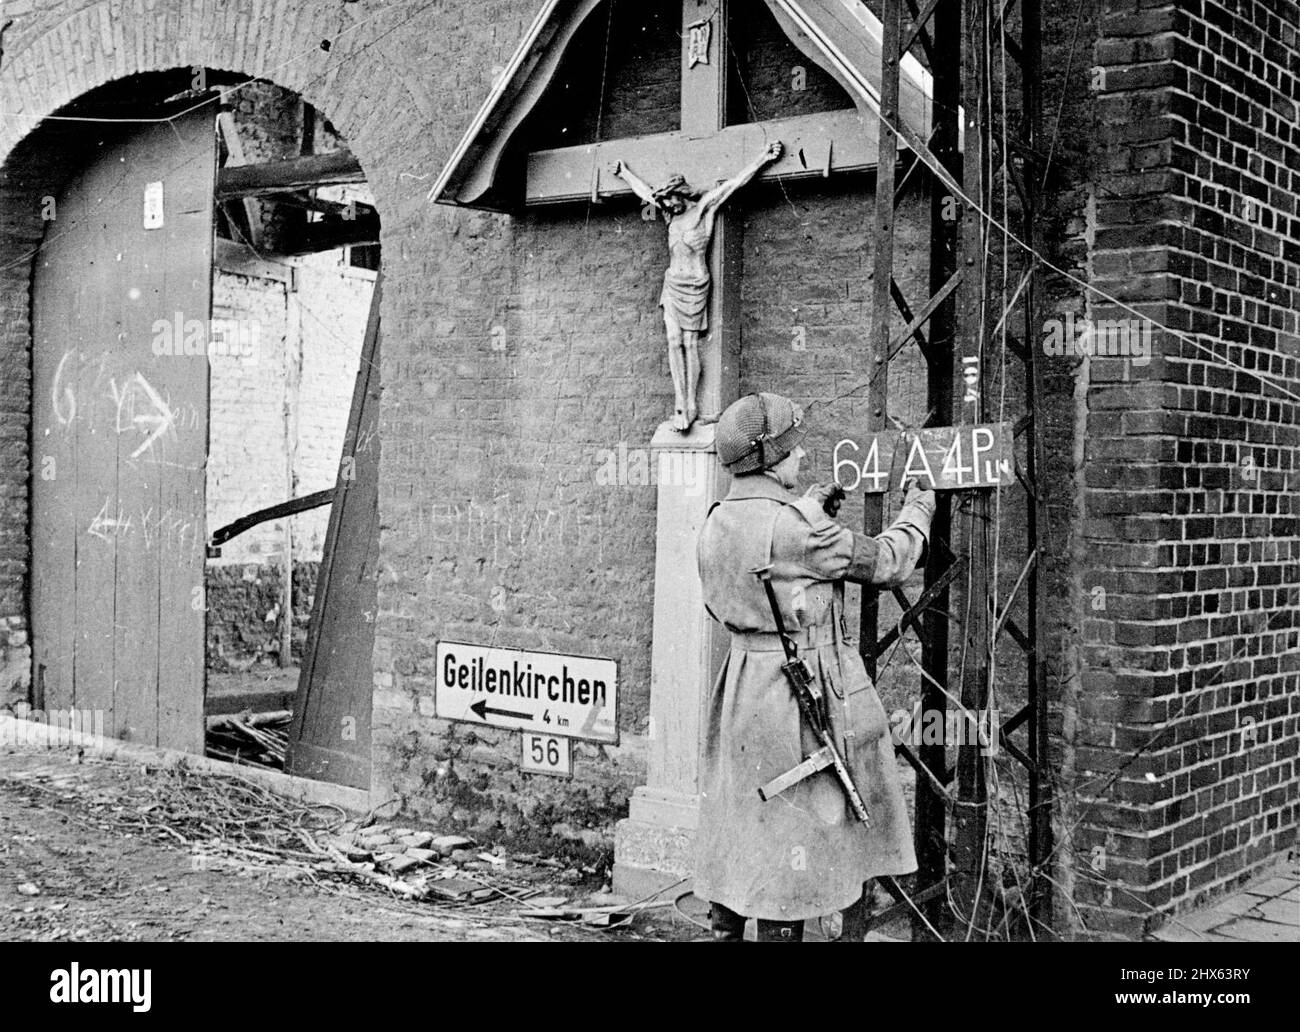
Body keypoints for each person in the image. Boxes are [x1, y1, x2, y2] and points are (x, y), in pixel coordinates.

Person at [695, 391, 936, 941]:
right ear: (771, 458)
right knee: (792, 849)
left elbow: (762, 570)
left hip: (740, 693)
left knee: (743, 833)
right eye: (795, 451)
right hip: (797, 699)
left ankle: (726, 929)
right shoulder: (798, 532)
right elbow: (890, 561)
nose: (803, 459)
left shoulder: (715, 519)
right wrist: (919, 506)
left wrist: (807, 510)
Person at [611, 142, 784, 432]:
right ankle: (680, 402)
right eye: (664, 204)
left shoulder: (704, 210)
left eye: (670, 201)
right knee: (672, 341)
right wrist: (625, 174)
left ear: (681, 194)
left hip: (694, 286)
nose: (667, 207)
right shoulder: (670, 216)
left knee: (690, 344)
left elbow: (733, 185)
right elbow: (644, 192)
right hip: (672, 285)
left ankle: (691, 403)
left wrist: (763, 158)